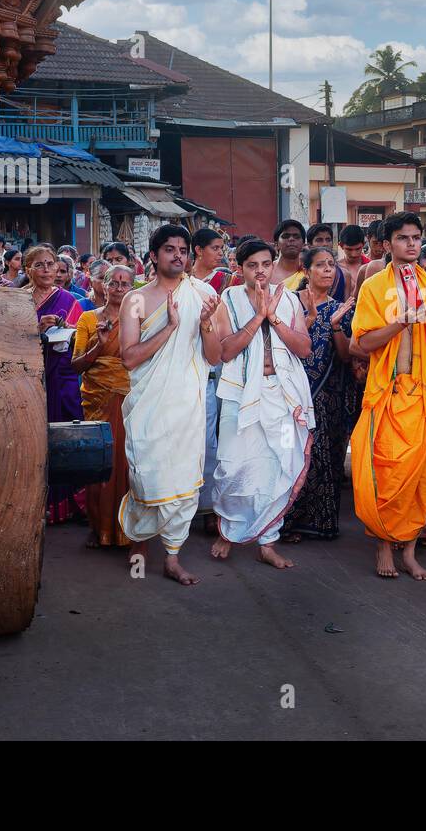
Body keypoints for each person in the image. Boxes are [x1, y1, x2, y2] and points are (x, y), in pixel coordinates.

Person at [351, 212, 426, 579]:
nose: (413, 244)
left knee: (424, 477)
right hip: (389, 391)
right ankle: (384, 545)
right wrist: (401, 320)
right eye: (404, 238)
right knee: (387, 473)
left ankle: (410, 552)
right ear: (387, 245)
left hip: (423, 396)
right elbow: (361, 344)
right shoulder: (374, 288)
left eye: (416, 237)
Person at [118, 224, 222, 586]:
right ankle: (139, 544)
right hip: (149, 404)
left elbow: (214, 357)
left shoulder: (204, 294)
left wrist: (206, 324)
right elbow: (129, 359)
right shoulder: (136, 299)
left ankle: (173, 558)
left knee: (182, 479)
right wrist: (170, 327)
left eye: (183, 249)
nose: (178, 255)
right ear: (153, 255)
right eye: (169, 249)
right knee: (146, 474)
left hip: (187, 405)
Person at [210, 239, 314, 569]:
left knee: (278, 466)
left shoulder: (290, 300)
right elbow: (225, 351)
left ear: (273, 265)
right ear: (240, 268)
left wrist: (276, 319)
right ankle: (227, 531)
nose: (260, 271)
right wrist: (258, 317)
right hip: (240, 395)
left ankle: (268, 541)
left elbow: (304, 349)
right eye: (252, 265)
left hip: (282, 397)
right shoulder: (228, 298)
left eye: (266, 264)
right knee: (233, 466)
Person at [282, 246, 355, 542]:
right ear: (305, 270)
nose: (328, 270)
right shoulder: (288, 304)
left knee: (326, 457)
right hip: (293, 393)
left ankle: (320, 522)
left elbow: (346, 355)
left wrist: (337, 325)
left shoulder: (341, 307)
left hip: (329, 396)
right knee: (294, 455)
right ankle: (284, 521)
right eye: (321, 265)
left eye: (331, 265)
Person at [71, 265, 135, 549]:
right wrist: (100, 344)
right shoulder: (87, 319)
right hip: (96, 398)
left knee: (128, 463)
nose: (119, 288)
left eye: (125, 283)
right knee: (100, 462)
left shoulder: (138, 321)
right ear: (102, 285)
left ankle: (126, 530)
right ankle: (99, 527)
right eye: (114, 282)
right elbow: (76, 365)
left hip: (129, 397)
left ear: (132, 288)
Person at [27, 245, 86, 525]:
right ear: (28, 270)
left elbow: (79, 342)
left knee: (64, 430)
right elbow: (10, 336)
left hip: (62, 374)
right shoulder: (18, 299)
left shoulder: (68, 300)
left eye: (51, 264)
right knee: (34, 436)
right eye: (39, 265)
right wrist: (37, 329)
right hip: (30, 374)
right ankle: (37, 502)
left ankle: (68, 503)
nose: (47, 270)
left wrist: (66, 329)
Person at [190, 228, 229, 527]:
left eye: (222, 248)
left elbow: (219, 342)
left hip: (211, 373)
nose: (220, 253)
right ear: (198, 250)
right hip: (183, 375)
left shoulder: (216, 288)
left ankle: (206, 508)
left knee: (209, 442)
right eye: (215, 248)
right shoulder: (181, 285)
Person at [273, 219, 306, 287]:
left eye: (296, 237)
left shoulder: (308, 272)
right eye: (286, 236)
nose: (291, 239)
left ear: (303, 245)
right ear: (276, 244)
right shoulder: (266, 271)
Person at [338, 224, 367, 297]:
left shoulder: (371, 266)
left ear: (363, 244)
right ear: (341, 246)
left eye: (358, 249)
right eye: (349, 249)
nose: (354, 254)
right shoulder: (335, 268)